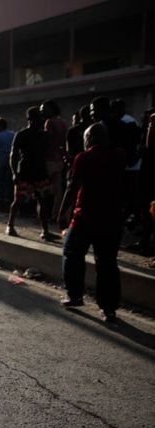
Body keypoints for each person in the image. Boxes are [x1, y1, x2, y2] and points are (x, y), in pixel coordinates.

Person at [58, 123, 125, 323]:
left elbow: (74, 186)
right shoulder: (119, 155)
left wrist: (62, 210)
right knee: (107, 263)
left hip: (85, 216)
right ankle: (109, 308)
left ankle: (75, 295)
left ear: (90, 139)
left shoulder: (84, 157)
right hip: (112, 217)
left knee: (72, 253)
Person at [7, 107, 53, 239]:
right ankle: (10, 225)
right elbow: (13, 155)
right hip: (25, 172)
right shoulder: (21, 134)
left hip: (40, 172)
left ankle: (45, 230)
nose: (40, 120)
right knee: (18, 200)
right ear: (29, 120)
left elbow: (48, 154)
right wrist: (14, 173)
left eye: (40, 118)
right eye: (37, 118)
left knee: (42, 201)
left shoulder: (45, 135)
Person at [41, 99, 68, 220]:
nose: (42, 112)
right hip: (59, 159)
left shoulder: (49, 122)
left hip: (49, 159)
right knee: (58, 191)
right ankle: (57, 214)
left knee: (44, 189)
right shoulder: (62, 123)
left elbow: (47, 140)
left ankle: (45, 215)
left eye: (44, 109)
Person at [0, 118, 15, 210]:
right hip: (10, 161)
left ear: (0, 126)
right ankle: (8, 202)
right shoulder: (12, 134)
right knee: (8, 182)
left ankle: (0, 203)